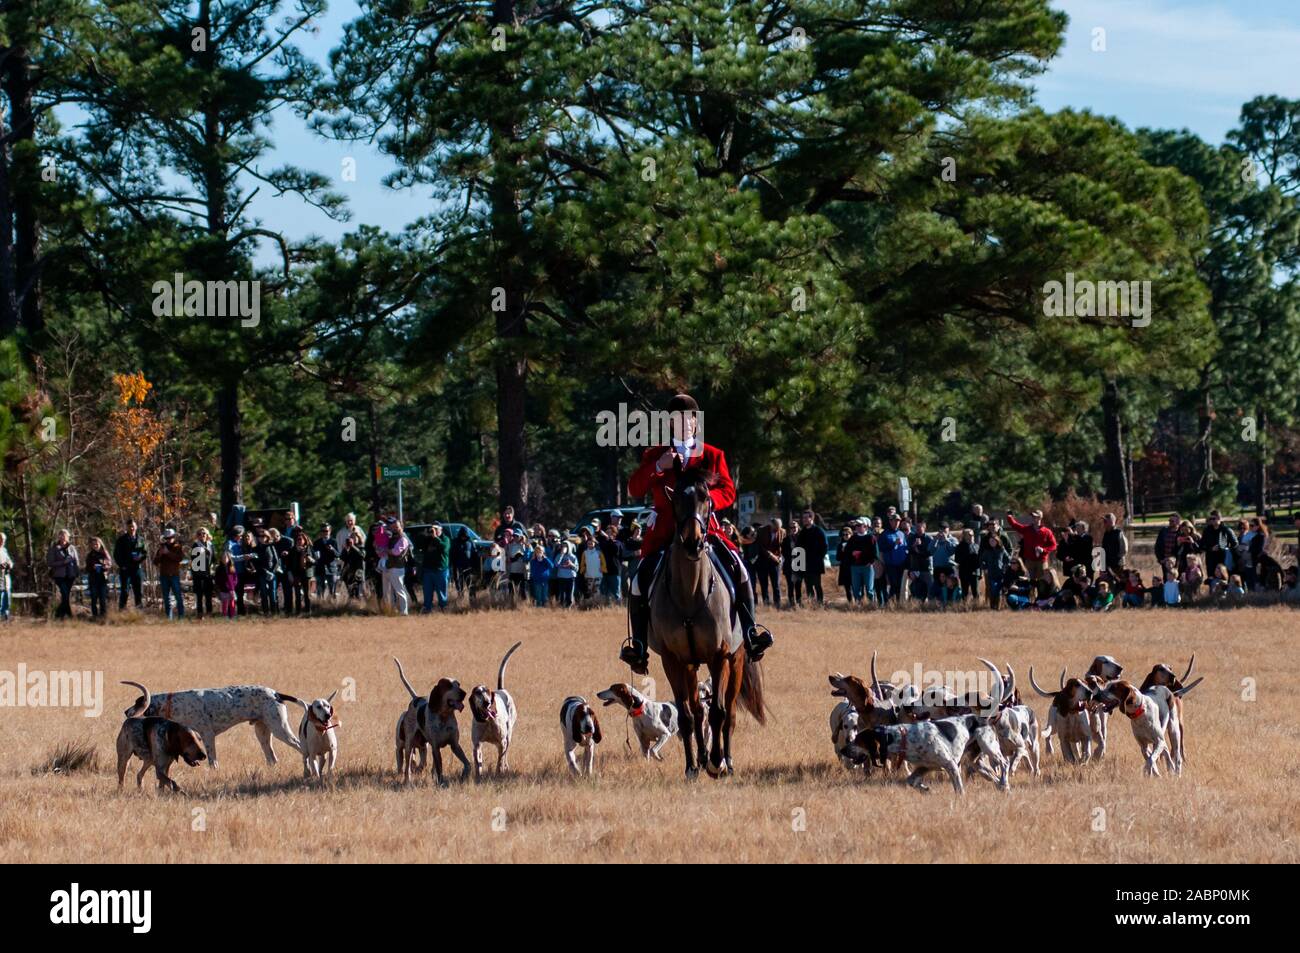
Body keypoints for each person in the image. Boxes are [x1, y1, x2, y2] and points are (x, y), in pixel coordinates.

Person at [620, 393, 772, 675]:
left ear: (694, 422)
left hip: (704, 529)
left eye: (688, 419)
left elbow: (728, 490)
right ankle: (639, 646)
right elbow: (635, 488)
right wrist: (658, 467)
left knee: (739, 569)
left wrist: (707, 499)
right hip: (666, 531)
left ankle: (751, 633)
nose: (683, 424)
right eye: (676, 420)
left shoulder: (713, 455)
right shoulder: (655, 454)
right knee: (639, 579)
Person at [1005, 509, 1057, 580]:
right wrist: (1009, 517)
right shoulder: (1027, 529)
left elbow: (1053, 545)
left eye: (1035, 516)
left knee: (1041, 582)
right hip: (1029, 561)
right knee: (1029, 582)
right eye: (1032, 516)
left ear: (1040, 518)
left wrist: (1043, 550)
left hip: (1042, 561)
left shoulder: (1047, 531)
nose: (1033, 518)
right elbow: (1015, 525)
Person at [113, 519, 146, 610]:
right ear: (127, 528)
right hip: (125, 569)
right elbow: (116, 554)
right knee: (125, 591)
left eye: (133, 526)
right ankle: (122, 612)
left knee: (138, 591)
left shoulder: (141, 539)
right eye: (130, 526)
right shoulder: (121, 540)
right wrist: (122, 565)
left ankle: (139, 613)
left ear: (136, 527)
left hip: (137, 569)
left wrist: (140, 557)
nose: (132, 528)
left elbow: (145, 553)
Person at [796, 509, 827, 605]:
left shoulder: (819, 531)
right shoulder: (802, 532)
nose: (804, 519)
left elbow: (824, 546)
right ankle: (812, 603)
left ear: (811, 518)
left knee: (817, 585)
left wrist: (819, 558)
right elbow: (799, 548)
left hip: (816, 564)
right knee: (808, 585)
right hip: (805, 564)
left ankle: (820, 603)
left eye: (806, 517)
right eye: (803, 518)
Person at [154, 528, 185, 619]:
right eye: (167, 538)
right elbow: (155, 562)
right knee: (166, 599)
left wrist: (168, 553)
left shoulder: (178, 547)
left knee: (178, 597)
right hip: (164, 576)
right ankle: (169, 618)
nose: (169, 539)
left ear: (174, 537)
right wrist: (160, 554)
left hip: (174, 575)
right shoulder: (161, 548)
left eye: (171, 537)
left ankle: (181, 617)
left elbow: (179, 558)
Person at [844, 519, 876, 604]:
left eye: (859, 525)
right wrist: (852, 553)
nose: (857, 527)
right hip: (855, 567)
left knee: (869, 589)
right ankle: (858, 606)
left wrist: (871, 561)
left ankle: (871, 606)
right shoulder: (852, 538)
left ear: (865, 527)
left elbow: (875, 552)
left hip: (867, 566)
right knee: (856, 589)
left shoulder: (871, 537)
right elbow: (847, 552)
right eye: (856, 525)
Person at [421, 522, 451, 612]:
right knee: (427, 591)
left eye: (436, 529)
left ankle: (443, 608)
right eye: (432, 529)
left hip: (440, 570)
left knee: (441, 591)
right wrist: (425, 535)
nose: (433, 531)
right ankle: (427, 608)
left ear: (441, 529)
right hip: (428, 569)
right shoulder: (428, 540)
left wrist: (435, 538)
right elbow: (420, 546)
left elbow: (444, 548)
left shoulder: (445, 539)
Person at [878, 514, 909, 602]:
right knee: (894, 584)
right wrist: (893, 544)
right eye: (894, 521)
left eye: (898, 521)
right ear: (890, 522)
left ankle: (897, 603)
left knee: (900, 585)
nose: (896, 523)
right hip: (891, 564)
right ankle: (891, 602)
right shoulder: (885, 534)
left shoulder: (901, 533)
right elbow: (881, 548)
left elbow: (905, 547)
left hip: (901, 564)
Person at [1199, 510, 1238, 578]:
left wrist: (1224, 548)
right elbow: (1201, 546)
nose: (1212, 520)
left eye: (1213, 519)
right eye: (1210, 519)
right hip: (1211, 560)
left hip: (1223, 560)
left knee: (1224, 580)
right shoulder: (1207, 531)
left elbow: (1235, 544)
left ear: (1219, 518)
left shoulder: (1226, 530)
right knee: (1211, 580)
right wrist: (1211, 549)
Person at [755, 517, 784, 608]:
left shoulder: (782, 532)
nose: (777, 530)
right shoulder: (761, 531)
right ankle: (766, 604)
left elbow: (782, 546)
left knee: (776, 584)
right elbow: (759, 546)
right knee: (764, 584)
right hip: (763, 561)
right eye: (775, 528)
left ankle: (777, 604)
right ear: (771, 525)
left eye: (778, 529)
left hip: (775, 562)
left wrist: (779, 557)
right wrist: (770, 555)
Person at [385, 520, 411, 615]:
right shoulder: (393, 538)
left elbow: (396, 552)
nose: (395, 529)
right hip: (392, 567)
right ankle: (396, 610)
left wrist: (386, 550)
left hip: (398, 568)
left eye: (397, 527)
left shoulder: (403, 539)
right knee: (394, 592)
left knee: (400, 591)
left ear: (402, 527)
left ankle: (404, 612)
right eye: (393, 527)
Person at [286, 531, 315, 613]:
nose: (299, 541)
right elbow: (288, 563)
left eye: (300, 539)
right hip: (296, 574)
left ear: (304, 540)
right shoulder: (292, 550)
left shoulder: (309, 548)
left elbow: (315, 561)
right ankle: (298, 611)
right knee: (297, 594)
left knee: (307, 594)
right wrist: (289, 574)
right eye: (297, 539)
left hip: (307, 574)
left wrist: (309, 558)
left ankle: (308, 611)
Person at [189, 528, 215, 618]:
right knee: (199, 596)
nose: (202, 535)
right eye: (199, 534)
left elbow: (214, 559)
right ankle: (200, 615)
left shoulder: (211, 545)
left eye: (204, 533)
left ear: (207, 534)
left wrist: (212, 568)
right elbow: (194, 562)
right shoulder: (196, 545)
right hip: (199, 574)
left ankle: (209, 613)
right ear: (197, 536)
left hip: (208, 574)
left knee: (208, 595)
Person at [84, 536, 112, 618]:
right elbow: (86, 568)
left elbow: (110, 564)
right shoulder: (90, 555)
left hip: (103, 578)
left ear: (100, 544)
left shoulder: (105, 553)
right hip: (93, 578)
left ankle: (103, 616)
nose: (95, 545)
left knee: (102, 598)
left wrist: (104, 566)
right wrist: (92, 567)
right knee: (94, 598)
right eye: (93, 544)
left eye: (96, 543)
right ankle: (94, 616)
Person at [979, 534, 1009, 608]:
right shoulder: (987, 551)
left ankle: (998, 607)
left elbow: (1007, 558)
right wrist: (985, 567)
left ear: (997, 541)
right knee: (993, 590)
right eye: (990, 541)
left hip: (1000, 573)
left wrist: (1005, 567)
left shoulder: (1002, 549)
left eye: (993, 541)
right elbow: (982, 560)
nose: (991, 542)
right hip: (991, 573)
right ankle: (992, 606)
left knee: (999, 590)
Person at [313, 524, 339, 600]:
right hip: (320, 568)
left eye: (326, 531)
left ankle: (332, 607)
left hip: (331, 568)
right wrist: (315, 556)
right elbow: (313, 555)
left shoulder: (333, 541)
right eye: (323, 531)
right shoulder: (317, 542)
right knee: (320, 589)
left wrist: (333, 549)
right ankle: (320, 606)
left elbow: (338, 555)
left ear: (330, 531)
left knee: (332, 589)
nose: (324, 533)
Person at [955, 528, 981, 602]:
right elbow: (957, 559)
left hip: (975, 572)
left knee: (975, 591)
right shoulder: (959, 547)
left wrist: (980, 573)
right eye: (969, 535)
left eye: (972, 534)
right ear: (964, 536)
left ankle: (976, 606)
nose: (972, 536)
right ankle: (964, 606)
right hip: (964, 572)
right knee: (964, 591)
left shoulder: (976, 546)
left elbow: (980, 561)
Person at [450, 526, 475, 595]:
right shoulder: (455, 542)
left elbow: (474, 554)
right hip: (458, 567)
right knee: (459, 585)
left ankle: (473, 600)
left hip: (468, 567)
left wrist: (474, 565)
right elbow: (451, 554)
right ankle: (460, 599)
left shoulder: (470, 542)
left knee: (470, 585)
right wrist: (452, 566)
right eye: (462, 535)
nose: (464, 537)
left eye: (465, 535)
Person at [214, 548, 239, 618]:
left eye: (226, 557)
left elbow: (235, 578)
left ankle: (232, 616)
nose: (225, 559)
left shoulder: (232, 568)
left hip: (232, 589)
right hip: (223, 589)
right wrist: (220, 587)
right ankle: (224, 615)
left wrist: (233, 585)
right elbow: (217, 579)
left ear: (229, 558)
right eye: (223, 557)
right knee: (224, 603)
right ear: (221, 559)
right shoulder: (218, 568)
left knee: (232, 603)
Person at [554, 541, 578, 607]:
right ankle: (562, 608)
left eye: (566, 546)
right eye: (563, 546)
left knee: (570, 595)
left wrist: (571, 564)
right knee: (562, 595)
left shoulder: (573, 557)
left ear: (569, 547)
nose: (564, 547)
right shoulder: (559, 555)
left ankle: (569, 608)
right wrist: (561, 555)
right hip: (561, 577)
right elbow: (556, 564)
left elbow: (576, 569)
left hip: (570, 578)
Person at [529, 543, 553, 607]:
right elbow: (533, 570)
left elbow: (551, 566)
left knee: (545, 596)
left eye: (540, 551)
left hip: (545, 581)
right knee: (538, 597)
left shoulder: (546, 560)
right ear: (535, 553)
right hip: (537, 581)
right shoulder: (533, 561)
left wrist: (545, 558)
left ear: (543, 552)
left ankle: (544, 609)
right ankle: (539, 609)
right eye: (537, 552)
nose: (539, 553)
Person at [835, 525, 853, 602]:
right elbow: (838, 558)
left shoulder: (854, 543)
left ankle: (859, 602)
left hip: (853, 567)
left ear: (851, 534)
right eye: (843, 534)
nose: (845, 536)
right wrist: (842, 551)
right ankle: (851, 603)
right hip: (844, 568)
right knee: (847, 587)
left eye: (847, 534)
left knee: (856, 586)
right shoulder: (840, 545)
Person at [0, 530, 13, 622]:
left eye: (4, 540)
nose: (2, 541)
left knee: (7, 601)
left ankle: (6, 618)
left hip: (6, 579)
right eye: (1, 539)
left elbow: (10, 562)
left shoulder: (4, 550)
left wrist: (9, 565)